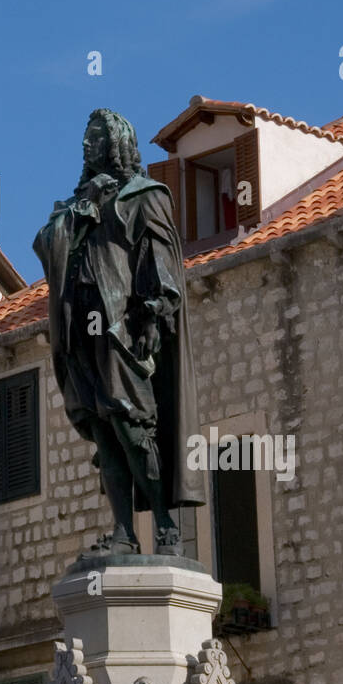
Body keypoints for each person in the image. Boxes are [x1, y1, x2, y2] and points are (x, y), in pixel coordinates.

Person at [33, 108, 204, 557]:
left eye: (95, 138)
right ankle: (124, 531)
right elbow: (45, 243)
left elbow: (163, 263)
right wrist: (81, 211)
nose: (87, 145)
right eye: (85, 138)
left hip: (119, 328)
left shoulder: (145, 195)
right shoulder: (76, 204)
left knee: (130, 424)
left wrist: (152, 315)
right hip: (79, 331)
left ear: (116, 145)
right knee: (103, 429)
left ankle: (165, 524)